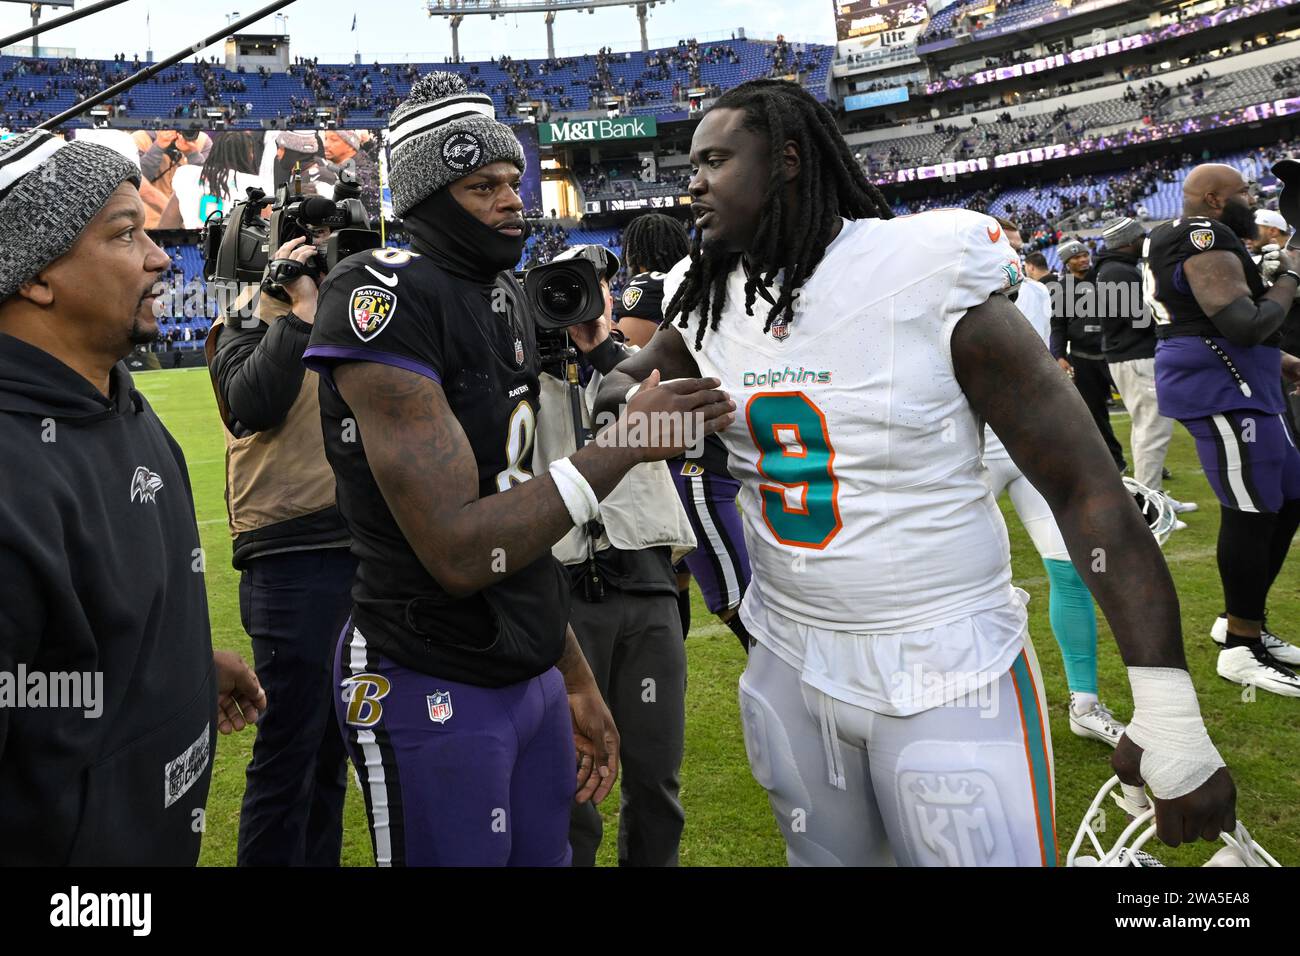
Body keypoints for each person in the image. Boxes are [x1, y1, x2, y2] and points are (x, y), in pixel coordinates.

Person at [596, 79, 1237, 866]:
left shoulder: (922, 270)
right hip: (789, 659)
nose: (691, 182)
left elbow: (1085, 485)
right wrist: (654, 418)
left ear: (789, 160)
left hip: (944, 665)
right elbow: (618, 385)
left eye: (716, 160)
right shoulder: (712, 298)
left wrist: (1169, 712)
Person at [302, 73, 733, 866]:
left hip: (526, 661)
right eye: (481, 186)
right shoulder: (383, 294)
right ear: (428, 197)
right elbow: (462, 550)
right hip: (428, 663)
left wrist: (567, 667)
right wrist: (624, 445)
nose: (511, 201)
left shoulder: (502, 292)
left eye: (512, 181)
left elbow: (519, 508)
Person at [0, 130, 264, 865]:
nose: (160, 258)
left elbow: (63, 657)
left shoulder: (121, 402)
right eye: (126, 234)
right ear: (34, 276)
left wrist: (178, 667)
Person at [533, 243, 698, 867]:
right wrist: (545, 355)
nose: (577, 300)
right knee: (574, 786)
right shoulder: (524, 380)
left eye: (591, 285)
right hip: (566, 592)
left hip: (648, 582)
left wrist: (600, 347)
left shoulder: (638, 365)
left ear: (611, 293)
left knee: (656, 777)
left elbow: (675, 422)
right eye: (560, 290)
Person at [205, 226, 355, 866]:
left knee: (333, 752)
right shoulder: (242, 318)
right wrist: (292, 309)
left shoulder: (359, 306)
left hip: (358, 546)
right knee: (288, 752)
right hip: (290, 553)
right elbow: (251, 404)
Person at [1146, 164, 1300, 691]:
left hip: (1244, 382)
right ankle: (1241, 646)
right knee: (1252, 509)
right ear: (1213, 200)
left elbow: (1209, 318)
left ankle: (1246, 618)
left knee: (1289, 496)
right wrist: (1291, 276)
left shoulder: (1195, 235)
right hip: (1221, 388)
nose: (1252, 198)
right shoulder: (1201, 234)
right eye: (1242, 191)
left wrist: (1279, 361)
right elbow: (1242, 323)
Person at [988, 216, 1124, 747]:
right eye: (1004, 247)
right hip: (965, 456)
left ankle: (1085, 702)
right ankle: (966, 698)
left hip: (1028, 448)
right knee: (967, 584)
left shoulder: (1038, 297)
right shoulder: (937, 300)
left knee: (1069, 569)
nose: (1015, 260)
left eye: (1019, 249)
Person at [615, 213, 753, 653]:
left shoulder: (647, 285)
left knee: (723, 585)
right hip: (717, 433)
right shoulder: (699, 278)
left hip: (688, 445)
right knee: (679, 569)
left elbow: (631, 355)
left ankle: (775, 666)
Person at [1096, 216, 1193, 512]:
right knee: (1153, 429)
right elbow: (1138, 318)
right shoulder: (1117, 272)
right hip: (1135, 356)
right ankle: (1149, 505)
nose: (1145, 241)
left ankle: (1154, 496)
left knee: (1147, 428)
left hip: (1130, 355)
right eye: (1140, 237)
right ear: (1127, 242)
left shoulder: (1115, 269)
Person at [1050, 239, 1127, 471]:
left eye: (1084, 254)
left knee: (1141, 409)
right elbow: (1058, 326)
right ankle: (1116, 462)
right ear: (1066, 262)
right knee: (1096, 414)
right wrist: (1059, 355)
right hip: (1083, 358)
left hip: (1115, 352)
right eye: (1076, 257)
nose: (1082, 259)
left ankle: (1151, 459)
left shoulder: (1105, 278)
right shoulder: (1061, 289)